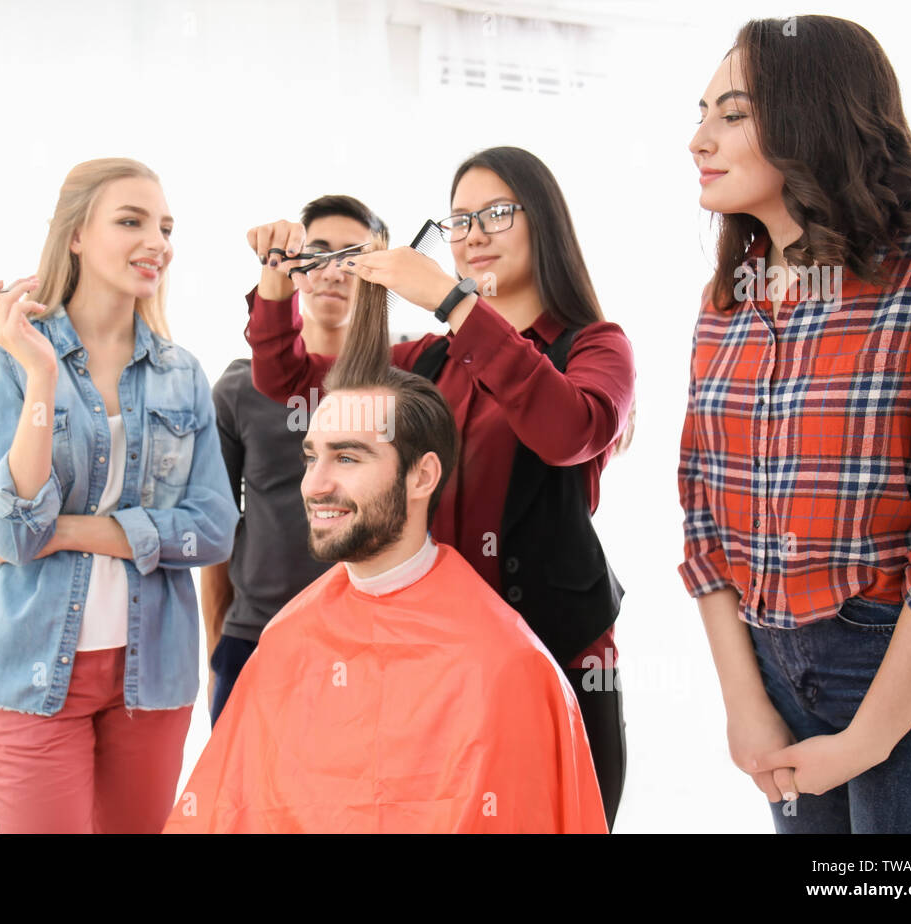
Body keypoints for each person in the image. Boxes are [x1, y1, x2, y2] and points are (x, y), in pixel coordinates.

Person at [245, 147, 635, 828]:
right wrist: (276, 286)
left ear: (544, 223)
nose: (475, 232)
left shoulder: (596, 346)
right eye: (459, 219)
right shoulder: (424, 360)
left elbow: (567, 431)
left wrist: (454, 303)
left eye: (497, 212)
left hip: (559, 653)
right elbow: (294, 383)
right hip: (440, 664)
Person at [680, 16, 911, 833]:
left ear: (814, 116)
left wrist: (866, 741)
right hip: (775, 675)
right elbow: (705, 527)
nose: (698, 139)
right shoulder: (727, 306)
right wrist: (745, 708)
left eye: (732, 114)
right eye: (701, 111)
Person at [165, 284, 606, 833]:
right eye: (313, 456)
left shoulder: (505, 666)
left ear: (421, 476)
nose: (315, 485)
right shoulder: (283, 644)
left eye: (348, 456)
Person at [0, 157, 238, 834]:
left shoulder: (182, 374)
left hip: (151, 680)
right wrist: (43, 375)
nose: (157, 242)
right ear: (76, 234)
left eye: (165, 226)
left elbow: (212, 531)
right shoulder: (15, 358)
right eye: (131, 221)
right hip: (30, 672)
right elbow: (13, 533)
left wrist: (72, 530)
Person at [203, 195, 388, 725]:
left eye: (352, 258)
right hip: (254, 639)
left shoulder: (404, 388)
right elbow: (217, 529)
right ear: (296, 269)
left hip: (370, 641)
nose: (333, 271)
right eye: (318, 253)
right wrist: (215, 646)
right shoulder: (239, 387)